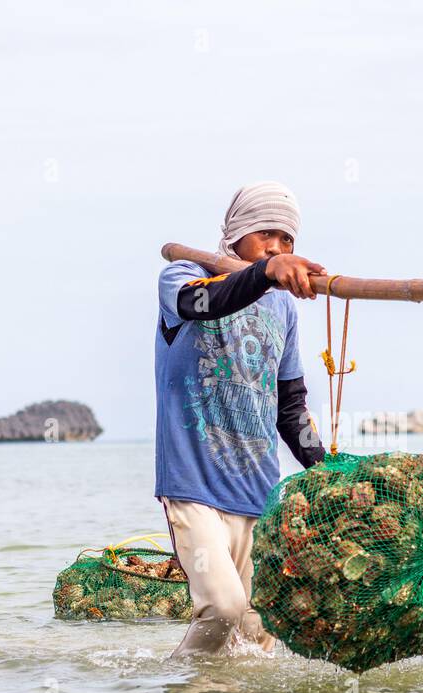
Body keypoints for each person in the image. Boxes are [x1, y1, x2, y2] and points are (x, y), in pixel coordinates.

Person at [155, 181, 327, 656]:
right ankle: (177, 687)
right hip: (195, 488)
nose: (276, 246)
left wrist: (329, 469)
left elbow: (290, 409)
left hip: (258, 493)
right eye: (264, 234)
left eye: (286, 239)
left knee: (258, 632)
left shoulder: (284, 307)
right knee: (223, 608)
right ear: (236, 232)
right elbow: (203, 304)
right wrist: (268, 272)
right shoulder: (182, 278)